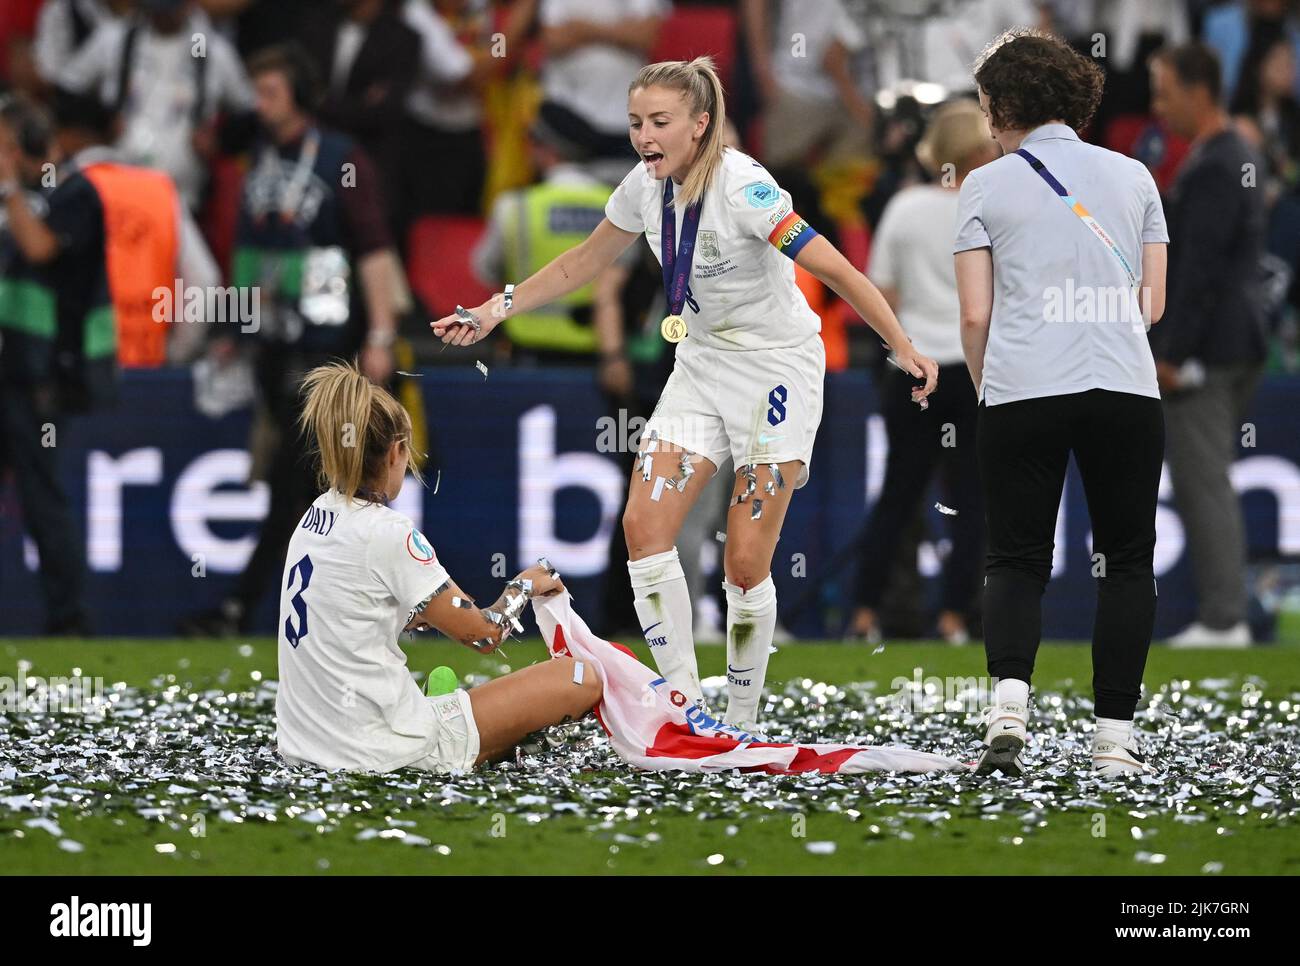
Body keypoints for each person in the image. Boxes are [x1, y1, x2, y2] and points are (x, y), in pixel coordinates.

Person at [434, 57, 938, 733]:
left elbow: (833, 266)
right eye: (637, 121)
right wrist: (498, 307)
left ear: (701, 125)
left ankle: (744, 718)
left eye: (660, 122)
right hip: (700, 365)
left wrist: (900, 343)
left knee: (744, 558)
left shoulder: (747, 189)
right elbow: (584, 260)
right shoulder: (643, 186)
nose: (645, 135)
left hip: (775, 369)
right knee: (644, 528)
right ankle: (683, 705)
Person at [954, 29, 1169, 777]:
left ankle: (1009, 704)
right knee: (1126, 561)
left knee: (1014, 557)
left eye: (985, 105)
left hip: (1022, 388)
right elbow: (1153, 303)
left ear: (1004, 104)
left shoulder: (983, 184)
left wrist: (992, 389)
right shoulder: (1135, 175)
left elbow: (976, 316)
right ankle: (1114, 739)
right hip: (1124, 387)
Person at [276, 360, 601, 773]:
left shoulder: (315, 517)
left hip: (305, 744)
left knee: (458, 692)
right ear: (395, 451)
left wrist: (417, 615)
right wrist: (523, 586)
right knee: (580, 677)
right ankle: (459, 730)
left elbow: (348, 612)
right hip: (383, 750)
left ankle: (438, 707)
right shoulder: (388, 531)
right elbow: (484, 636)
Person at [178, 42, 398, 637]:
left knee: (299, 482)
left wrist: (380, 333)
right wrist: (234, 326)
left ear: (300, 95)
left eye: (271, 91)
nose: (259, 103)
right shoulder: (260, 158)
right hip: (274, 346)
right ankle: (322, 612)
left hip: (327, 349)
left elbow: (375, 250)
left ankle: (243, 607)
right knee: (309, 486)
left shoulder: (338, 159)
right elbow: (253, 252)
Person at [848, 99, 999, 647]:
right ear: (975, 151)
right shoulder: (993, 210)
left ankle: (864, 614)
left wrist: (905, 342)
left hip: (912, 373)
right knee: (971, 502)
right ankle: (956, 618)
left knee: (897, 496)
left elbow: (880, 294)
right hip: (975, 374)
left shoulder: (906, 207)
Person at [1149, 42, 1269, 647]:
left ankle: (1225, 621)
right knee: (1206, 478)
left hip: (1210, 349)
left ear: (1199, 92)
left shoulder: (1219, 163)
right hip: (1231, 340)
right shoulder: (1228, 155)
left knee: (1203, 481)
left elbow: (1200, 271)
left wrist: (1174, 353)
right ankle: (1227, 615)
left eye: (1165, 90)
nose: (1157, 105)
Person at [0, 91, 124, 635]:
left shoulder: (77, 194)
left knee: (42, 497)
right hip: (10, 370)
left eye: (4, 147)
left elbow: (40, 248)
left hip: (48, 376)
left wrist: (8, 189)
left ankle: (68, 620)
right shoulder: (20, 197)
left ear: (28, 146)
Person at [56, 0, 255, 211]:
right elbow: (68, 90)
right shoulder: (116, 39)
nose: (162, 17)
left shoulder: (209, 49)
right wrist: (102, 123)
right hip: (119, 187)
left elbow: (248, 113)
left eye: (169, 9)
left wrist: (220, 140)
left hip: (184, 195)